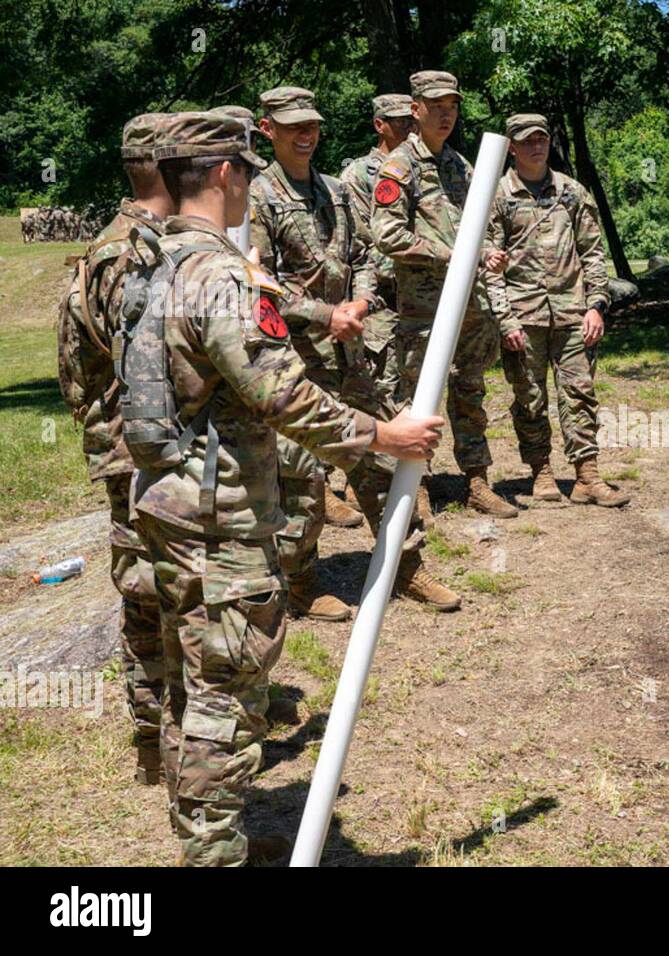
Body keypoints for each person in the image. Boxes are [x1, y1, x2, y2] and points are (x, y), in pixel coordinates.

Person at [136, 111, 443, 865]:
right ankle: (214, 857)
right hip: (219, 518)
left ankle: (214, 844)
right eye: (242, 170)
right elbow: (284, 396)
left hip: (171, 506)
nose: (246, 185)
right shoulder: (221, 275)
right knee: (225, 702)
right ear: (223, 175)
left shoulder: (155, 260)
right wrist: (383, 436)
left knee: (192, 684)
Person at [250, 86, 458, 616]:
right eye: (293, 126)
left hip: (350, 358)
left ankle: (405, 570)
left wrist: (362, 300)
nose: (306, 135)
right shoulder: (259, 199)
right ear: (267, 129)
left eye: (312, 125)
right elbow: (258, 283)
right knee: (302, 480)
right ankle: (301, 585)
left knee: (384, 461)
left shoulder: (336, 191)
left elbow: (367, 250)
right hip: (294, 366)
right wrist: (326, 314)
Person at [56, 113, 175, 785]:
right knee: (148, 594)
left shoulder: (130, 240)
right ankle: (157, 742)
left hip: (132, 448)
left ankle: (165, 734)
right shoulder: (131, 251)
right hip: (139, 452)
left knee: (152, 589)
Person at [371, 70, 517, 518]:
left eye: (451, 106)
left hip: (470, 304)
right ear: (415, 111)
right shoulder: (400, 166)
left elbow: (480, 226)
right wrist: (450, 255)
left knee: (470, 390)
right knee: (416, 396)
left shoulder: (461, 165)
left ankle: (477, 480)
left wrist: (487, 252)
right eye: (436, 107)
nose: (446, 115)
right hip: (424, 304)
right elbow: (386, 233)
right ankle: (416, 486)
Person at [484, 113, 629, 506]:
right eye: (527, 140)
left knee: (580, 393)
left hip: (572, 313)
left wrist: (597, 305)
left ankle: (587, 475)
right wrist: (504, 317)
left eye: (542, 139)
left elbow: (593, 254)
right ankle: (542, 471)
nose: (537, 146)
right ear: (511, 147)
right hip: (522, 314)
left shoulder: (572, 193)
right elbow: (488, 264)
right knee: (530, 398)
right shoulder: (496, 197)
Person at [341, 94, 416, 405]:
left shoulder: (424, 168)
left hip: (420, 300)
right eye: (401, 123)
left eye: (413, 122)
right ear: (379, 125)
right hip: (380, 301)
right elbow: (361, 245)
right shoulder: (358, 175)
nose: (411, 130)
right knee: (379, 396)